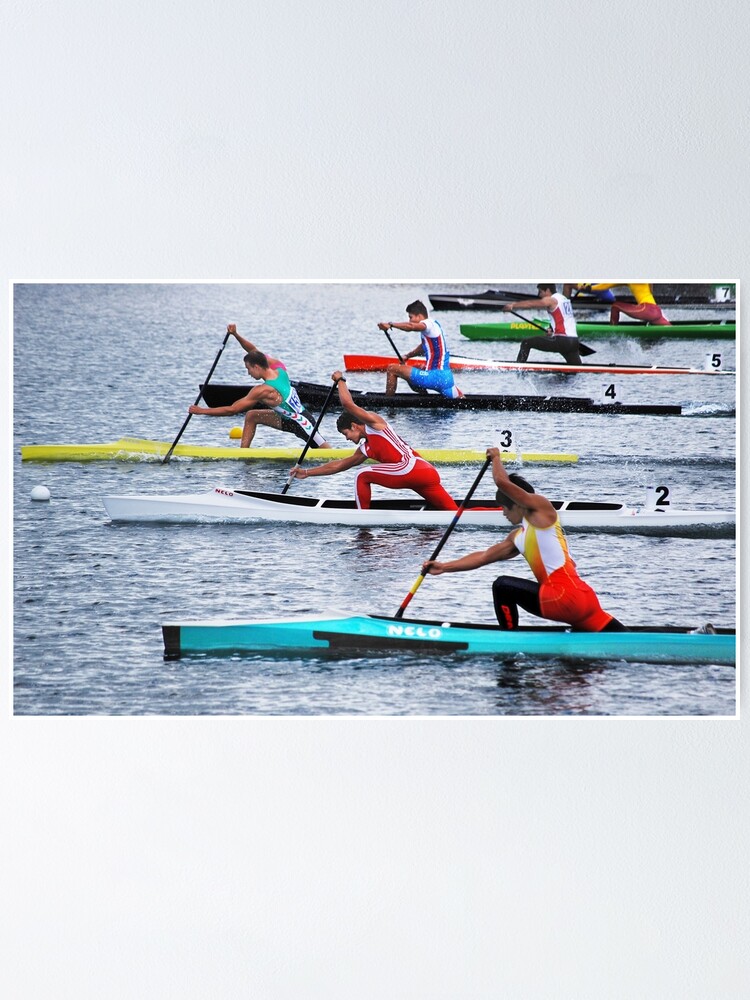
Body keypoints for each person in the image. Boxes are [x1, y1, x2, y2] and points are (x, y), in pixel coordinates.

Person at [423, 447, 627, 632]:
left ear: (517, 504)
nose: (502, 513)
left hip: (563, 597)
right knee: (627, 640)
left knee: (502, 586)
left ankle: (509, 639)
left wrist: (496, 458)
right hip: (584, 599)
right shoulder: (517, 537)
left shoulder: (541, 513)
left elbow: (502, 483)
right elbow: (483, 557)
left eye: (504, 507)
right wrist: (443, 567)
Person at [289, 372, 458, 510]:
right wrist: (307, 473)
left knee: (362, 475)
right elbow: (338, 465)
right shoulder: (365, 449)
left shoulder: (374, 424)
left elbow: (348, 404)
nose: (347, 438)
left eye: (346, 433)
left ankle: (362, 518)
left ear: (354, 426)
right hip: (424, 472)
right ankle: (485, 515)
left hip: (412, 467)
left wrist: (340, 380)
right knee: (455, 514)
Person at [189, 343, 330, 449]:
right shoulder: (280, 369)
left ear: (256, 367)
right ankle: (243, 454)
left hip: (302, 423)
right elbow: (254, 351)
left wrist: (201, 411)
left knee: (328, 454)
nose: (248, 373)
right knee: (252, 415)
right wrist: (235, 334)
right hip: (288, 418)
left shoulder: (263, 390)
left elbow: (232, 410)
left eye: (248, 369)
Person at [377, 300, 464, 398]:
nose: (409, 320)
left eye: (411, 317)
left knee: (392, 369)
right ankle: (425, 400)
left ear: (419, 316)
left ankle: (388, 404)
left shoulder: (427, 324)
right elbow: (423, 347)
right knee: (462, 401)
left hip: (435, 377)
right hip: (446, 379)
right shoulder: (434, 325)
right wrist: (408, 355)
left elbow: (411, 326)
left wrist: (390, 324)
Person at [502, 283, 583, 365]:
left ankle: (518, 367)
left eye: (540, 291)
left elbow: (531, 304)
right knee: (576, 370)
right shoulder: (563, 299)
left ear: (547, 290)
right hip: (574, 341)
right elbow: (563, 318)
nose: (539, 295)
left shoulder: (552, 300)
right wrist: (551, 329)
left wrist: (513, 305)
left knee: (526, 342)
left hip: (562, 341)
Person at [577, 283, 671, 326]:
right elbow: (605, 285)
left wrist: (588, 288)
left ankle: (613, 331)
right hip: (656, 310)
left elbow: (604, 286)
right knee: (670, 330)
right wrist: (589, 287)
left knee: (615, 306)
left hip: (646, 310)